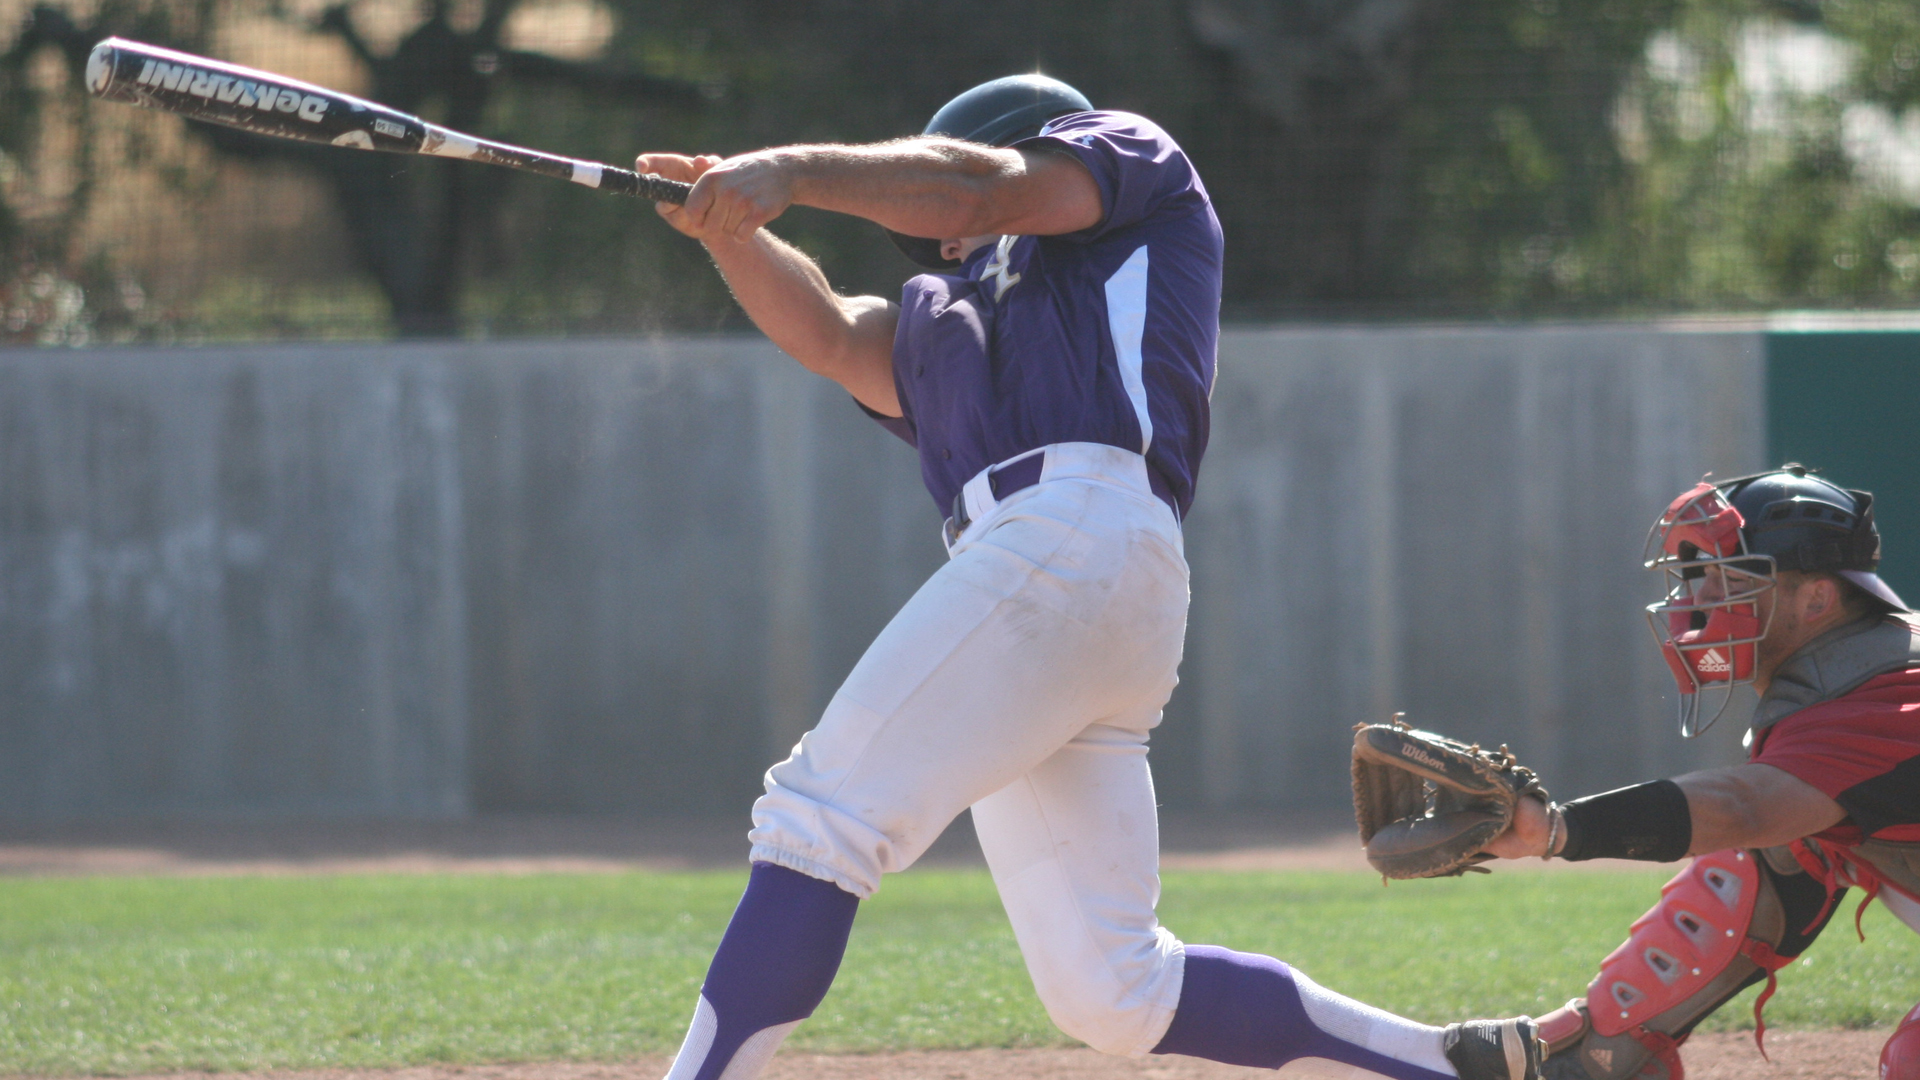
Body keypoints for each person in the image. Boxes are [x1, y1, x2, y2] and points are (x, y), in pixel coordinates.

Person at [635, 74, 1541, 1080]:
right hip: (1065, 581)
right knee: (1116, 990)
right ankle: (1452, 1067)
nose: (941, 240)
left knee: (819, 820)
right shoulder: (947, 311)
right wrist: (728, 228)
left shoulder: (1131, 172)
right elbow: (835, 335)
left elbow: (980, 190)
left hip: (1077, 535)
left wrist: (792, 172)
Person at [1476, 465, 1920, 1080]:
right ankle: (1607, 1047)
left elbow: (1742, 807)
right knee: (1773, 851)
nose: (1701, 599)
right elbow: (1763, 827)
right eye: (1696, 576)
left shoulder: (1889, 693)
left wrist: (1554, 829)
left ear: (1818, 597)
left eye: (1729, 577)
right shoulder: (1848, 679)